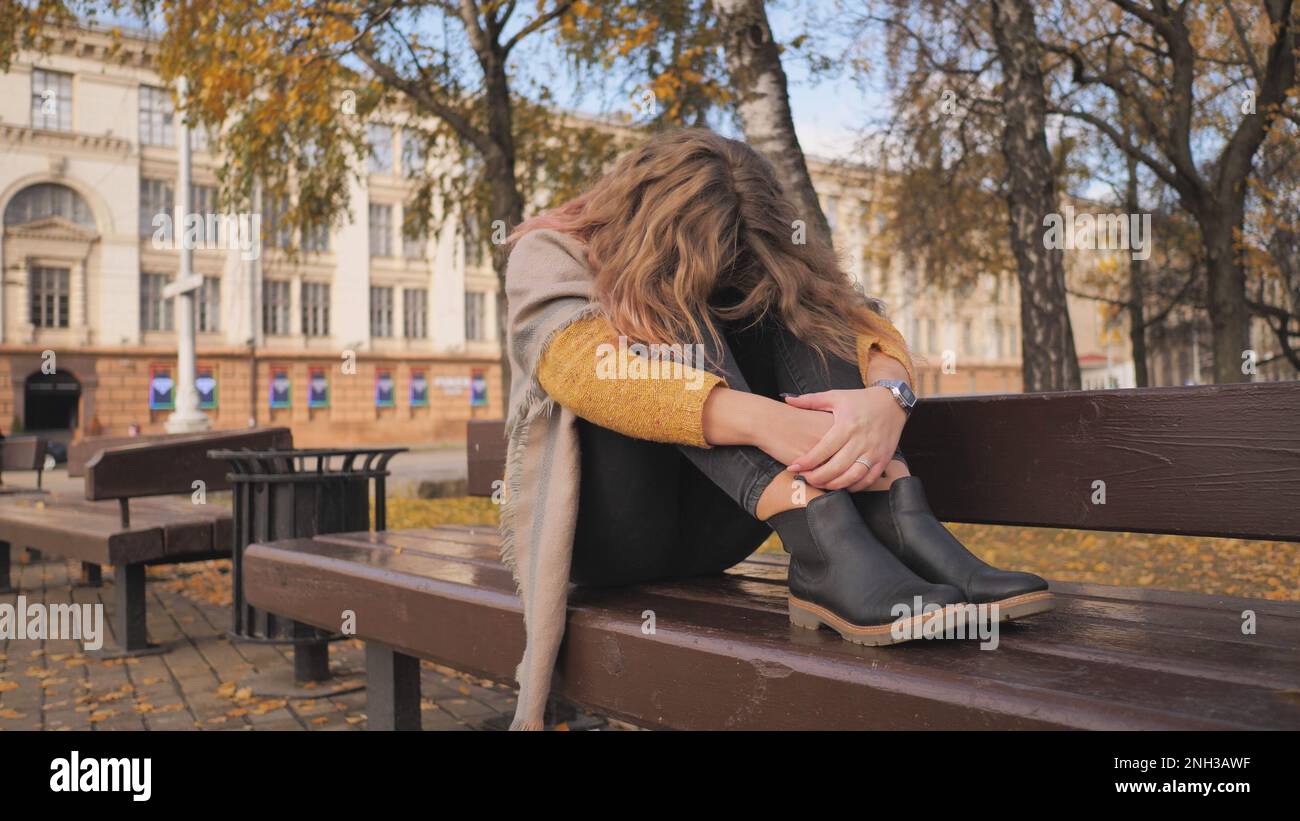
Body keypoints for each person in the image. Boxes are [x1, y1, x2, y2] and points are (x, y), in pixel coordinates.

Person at [500, 128, 1051, 730]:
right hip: (608, 538)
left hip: (720, 533)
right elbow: (581, 370)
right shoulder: (551, 249)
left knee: (793, 294)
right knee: (664, 308)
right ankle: (823, 532)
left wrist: (887, 398)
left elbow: (861, 316)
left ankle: (883, 527)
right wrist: (768, 421)